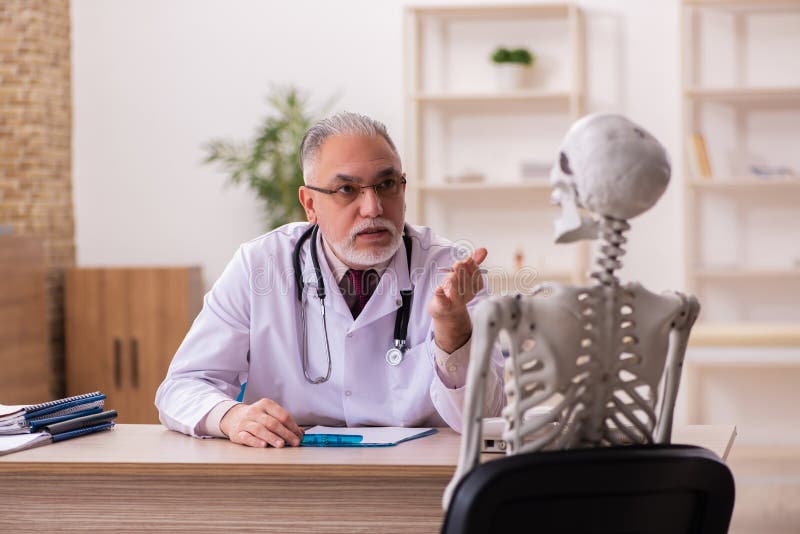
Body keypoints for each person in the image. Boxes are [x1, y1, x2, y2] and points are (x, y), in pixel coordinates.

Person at [155, 112, 505, 448]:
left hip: (418, 474)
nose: (373, 208)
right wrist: (232, 417)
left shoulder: (450, 271)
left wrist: (452, 331)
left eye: (386, 185)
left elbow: (484, 415)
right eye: (347, 189)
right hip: (291, 470)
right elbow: (183, 386)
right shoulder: (259, 265)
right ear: (310, 204)